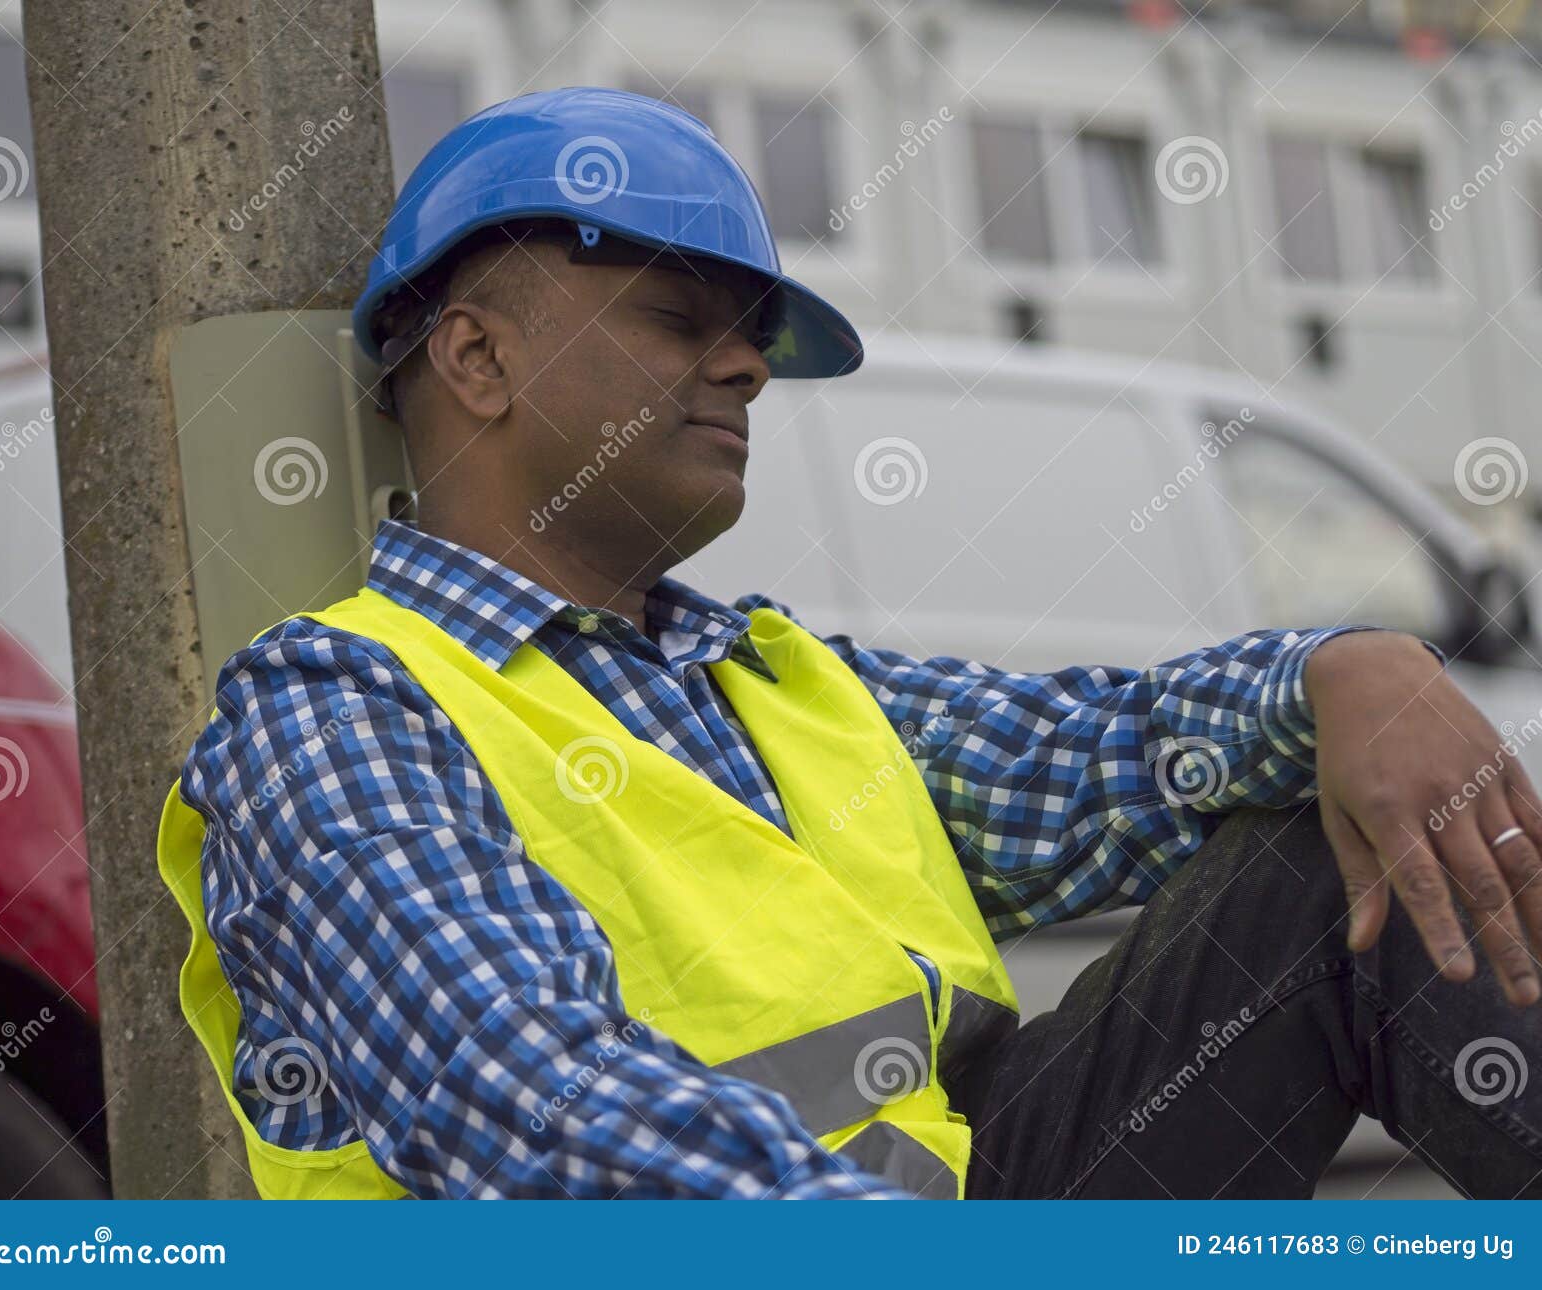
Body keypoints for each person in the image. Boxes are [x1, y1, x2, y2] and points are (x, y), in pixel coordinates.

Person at [158, 87, 1542, 1200]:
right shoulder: (338, 709)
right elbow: (536, 1115)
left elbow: (1104, 752)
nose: (748, 366)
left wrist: (1344, 673)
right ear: (475, 361)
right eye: (676, 320)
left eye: (752, 335)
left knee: (1343, 847)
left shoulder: (771, 679)